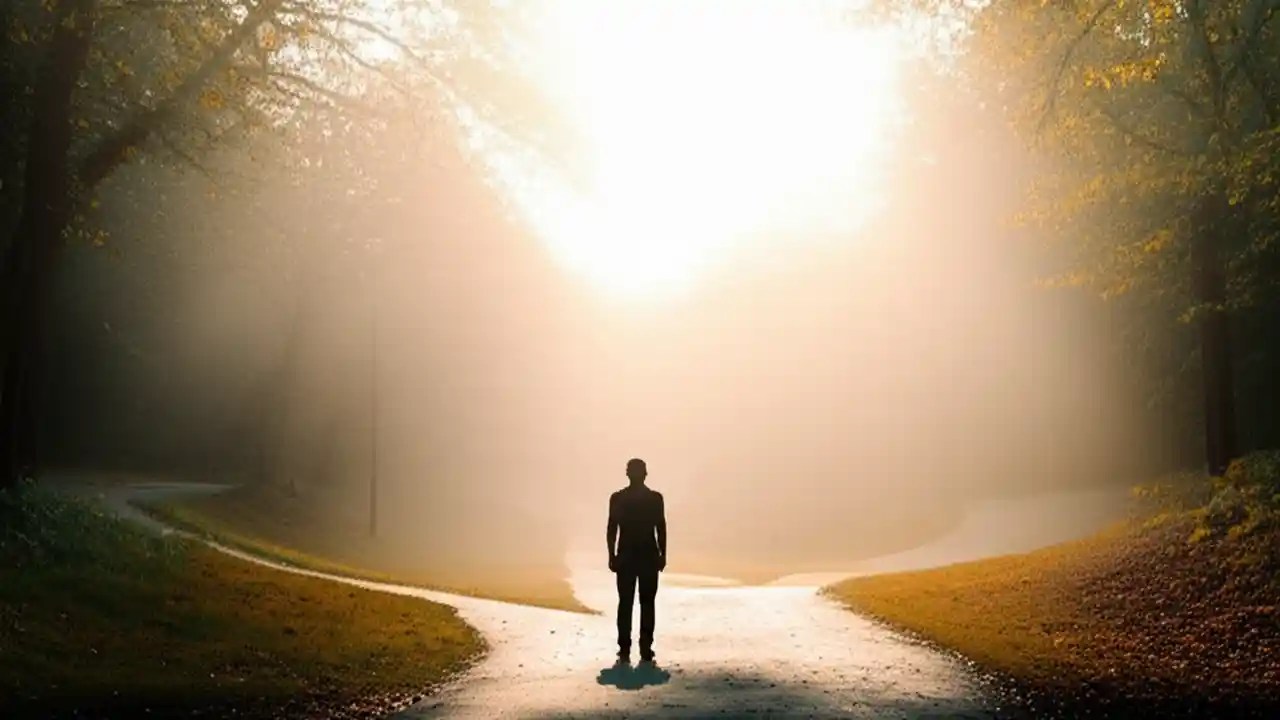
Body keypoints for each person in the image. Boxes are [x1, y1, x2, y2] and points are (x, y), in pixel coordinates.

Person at [607, 457, 666, 663]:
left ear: (627, 474)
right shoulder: (655, 499)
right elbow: (661, 528)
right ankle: (644, 647)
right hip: (647, 555)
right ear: (645, 474)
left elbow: (612, 528)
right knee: (646, 603)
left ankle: (625, 647)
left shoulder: (618, 498)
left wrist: (612, 555)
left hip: (627, 556)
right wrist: (663, 554)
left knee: (626, 603)